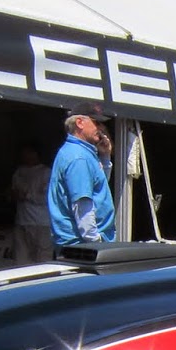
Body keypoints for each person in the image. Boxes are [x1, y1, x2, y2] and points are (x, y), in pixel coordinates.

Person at [48, 103, 116, 250]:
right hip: (81, 246)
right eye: (96, 122)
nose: (101, 128)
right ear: (79, 123)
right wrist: (95, 243)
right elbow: (83, 203)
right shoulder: (79, 157)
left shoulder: (80, 153)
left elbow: (98, 188)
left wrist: (105, 156)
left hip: (78, 244)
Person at [8, 142, 52, 264]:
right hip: (21, 222)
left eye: (28, 153)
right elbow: (13, 193)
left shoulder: (46, 172)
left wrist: (26, 195)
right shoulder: (19, 172)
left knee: (42, 259)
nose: (25, 156)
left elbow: (47, 198)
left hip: (41, 223)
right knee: (21, 259)